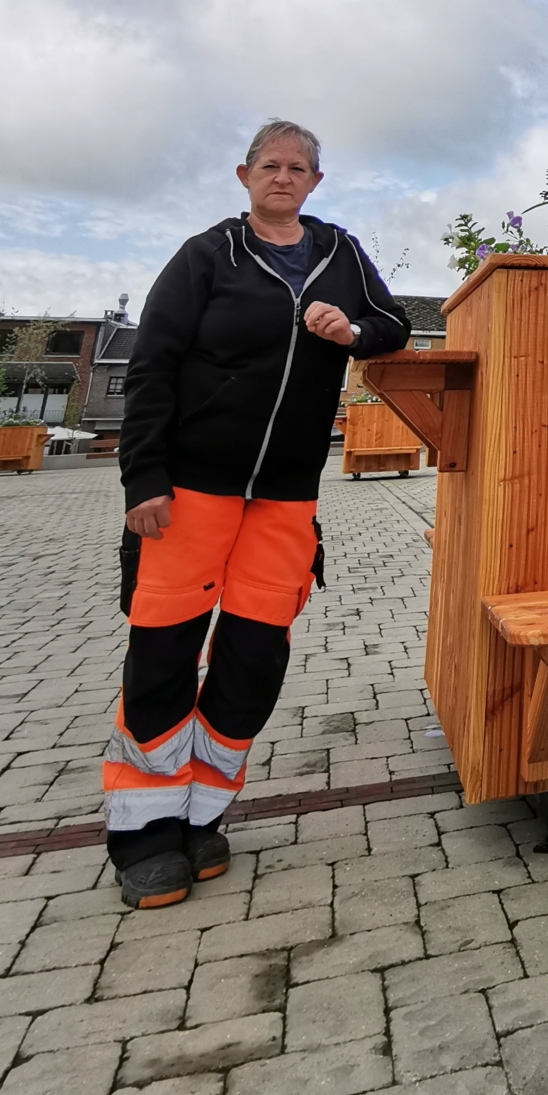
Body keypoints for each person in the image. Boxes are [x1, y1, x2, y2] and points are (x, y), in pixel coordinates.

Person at [104, 121, 410, 908]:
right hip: (191, 491)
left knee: (252, 657)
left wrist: (354, 330)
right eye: (269, 165)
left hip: (284, 496)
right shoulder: (207, 255)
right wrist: (144, 478)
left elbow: (394, 324)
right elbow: (152, 367)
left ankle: (203, 812)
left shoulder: (340, 254)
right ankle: (143, 830)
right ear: (245, 175)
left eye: (297, 167)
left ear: (316, 180)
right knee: (165, 651)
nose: (283, 176)